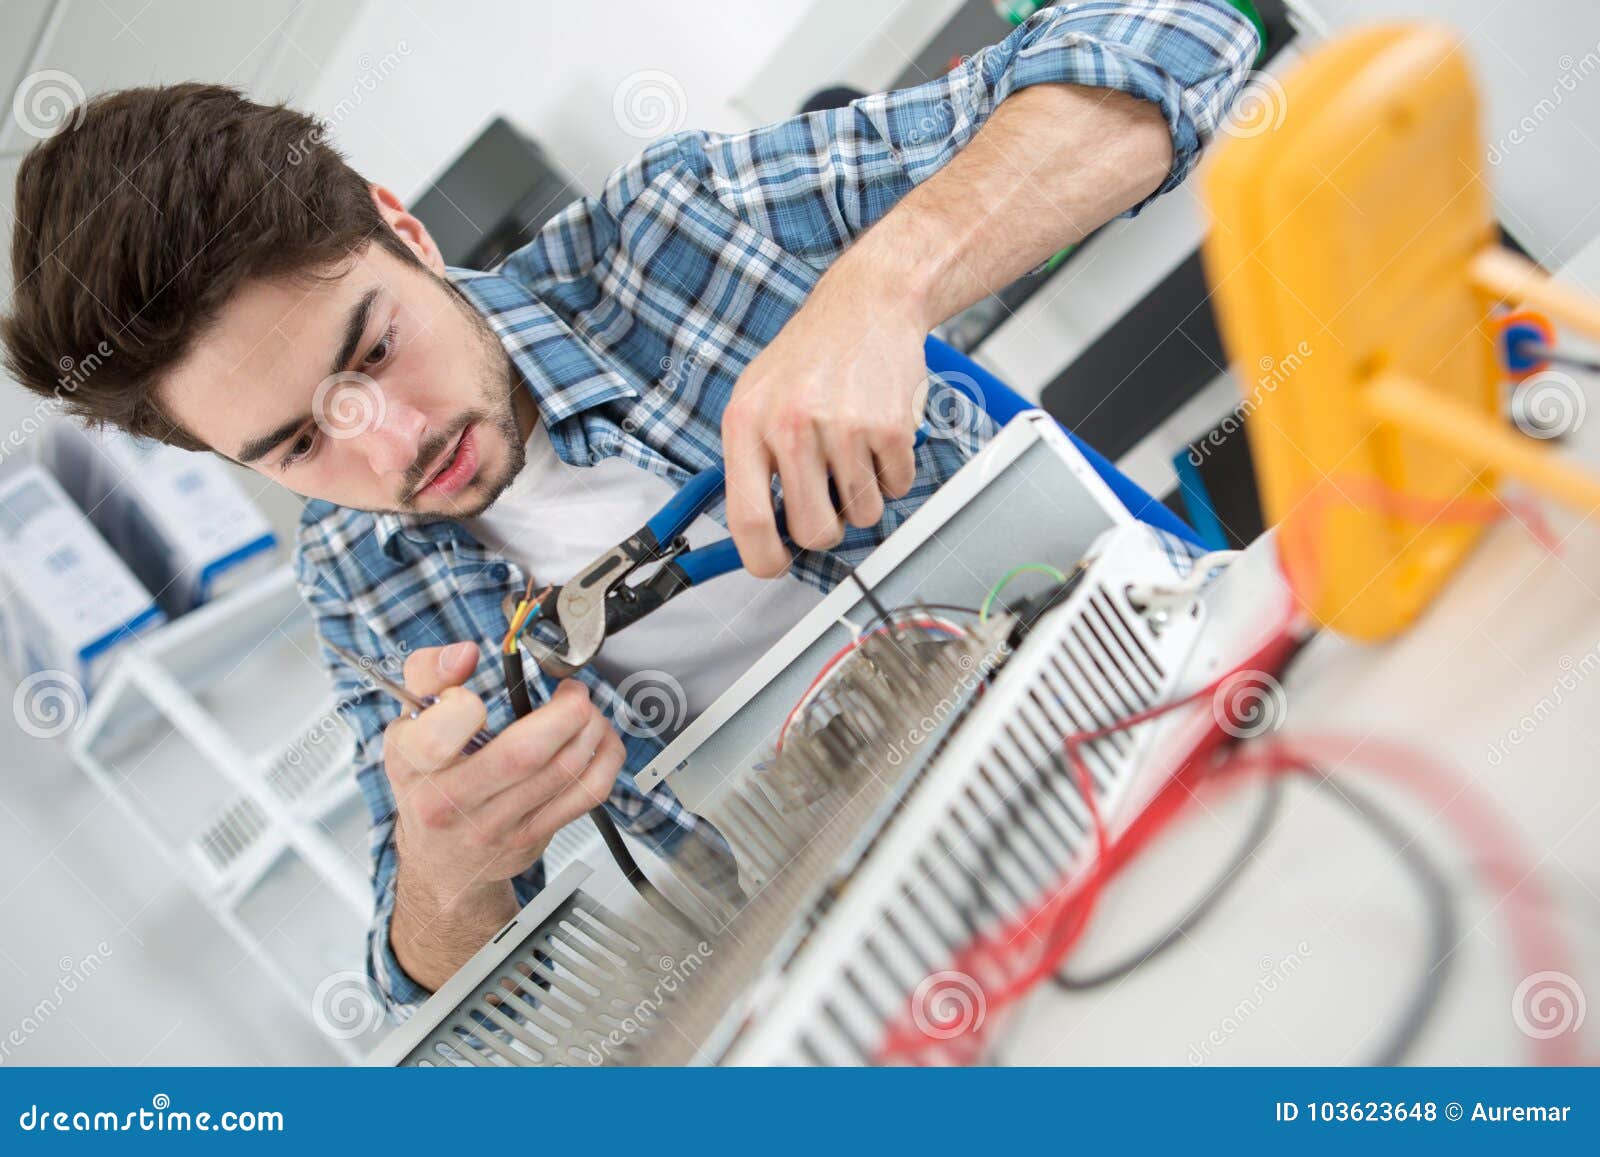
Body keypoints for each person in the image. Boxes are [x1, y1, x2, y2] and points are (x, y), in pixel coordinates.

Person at [2, 2, 1259, 1019]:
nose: (393, 448)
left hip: (1176, 724)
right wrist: (450, 867)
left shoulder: (676, 229)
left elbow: (1180, 34)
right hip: (906, 963)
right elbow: (430, 988)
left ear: (403, 229)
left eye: (374, 352)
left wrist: (883, 283)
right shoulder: (356, 579)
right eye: (292, 443)